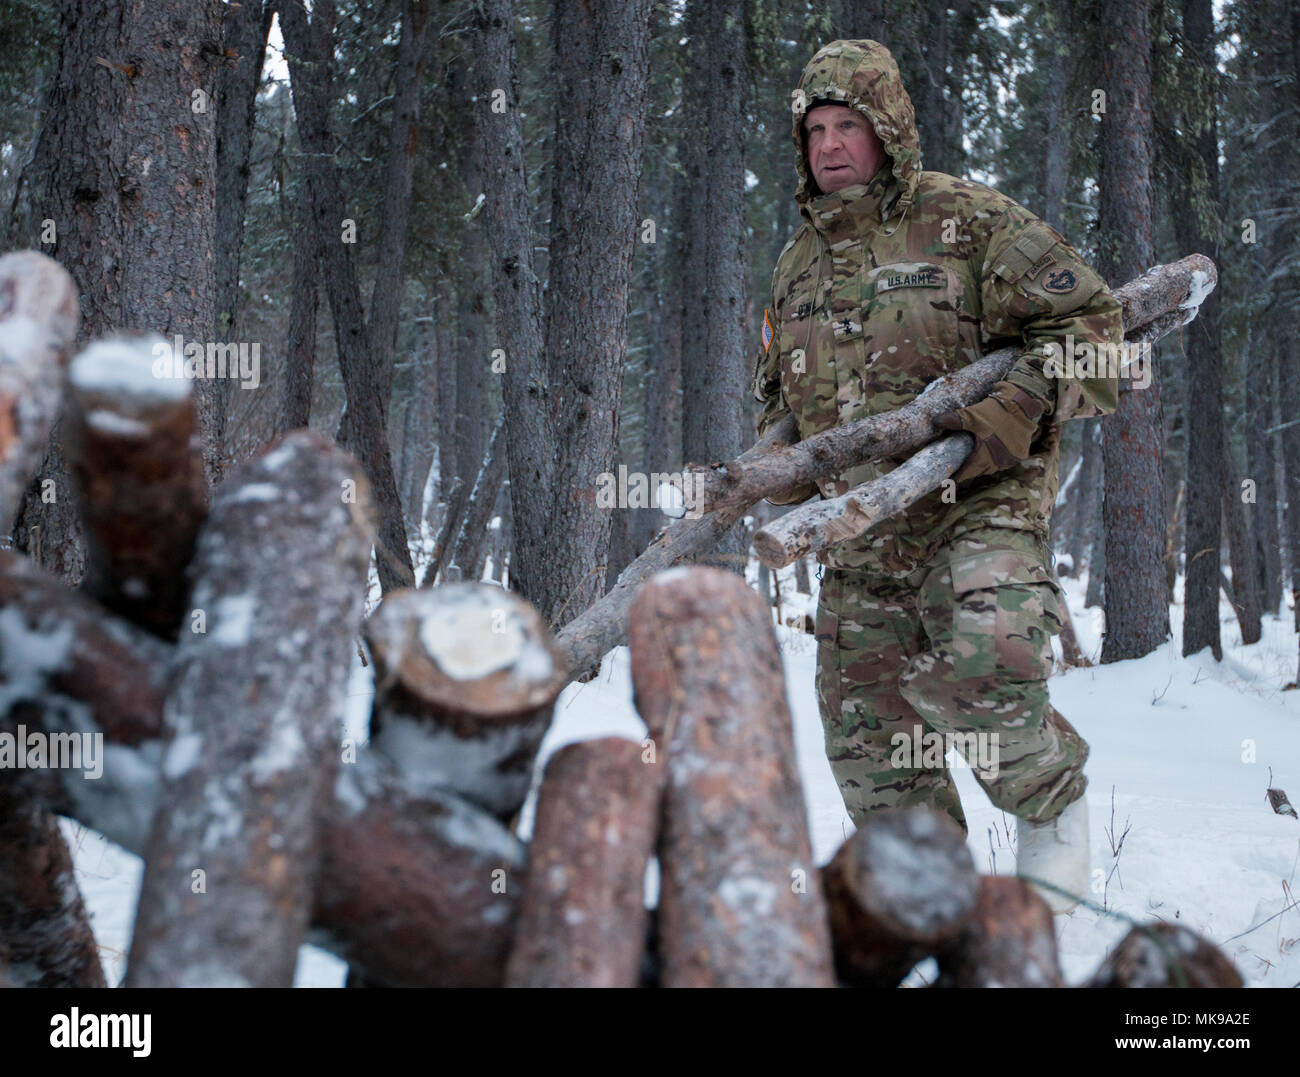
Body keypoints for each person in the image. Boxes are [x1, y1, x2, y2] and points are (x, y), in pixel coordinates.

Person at [751, 39, 1124, 913]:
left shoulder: (970, 220)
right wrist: (778, 464)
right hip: (860, 536)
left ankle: (1053, 808)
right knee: (871, 748)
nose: (829, 145)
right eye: (815, 130)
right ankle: (932, 922)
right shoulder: (797, 264)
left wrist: (1016, 408)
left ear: (888, 131)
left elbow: (1094, 323)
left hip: (978, 505)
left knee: (985, 660)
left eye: (849, 125)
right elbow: (778, 394)